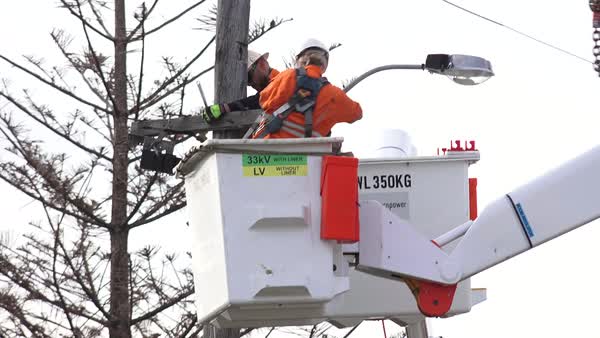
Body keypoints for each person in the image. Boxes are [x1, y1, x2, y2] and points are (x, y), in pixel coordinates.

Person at [251, 39, 362, 139]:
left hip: (265, 154)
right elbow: (357, 114)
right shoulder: (334, 94)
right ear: (324, 64)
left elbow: (263, 99)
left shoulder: (286, 76)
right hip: (305, 157)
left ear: (299, 60)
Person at [202, 50, 280, 123]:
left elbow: (259, 99)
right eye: (246, 82)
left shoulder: (284, 82)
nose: (250, 84)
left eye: (248, 77)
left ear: (262, 65)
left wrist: (226, 108)